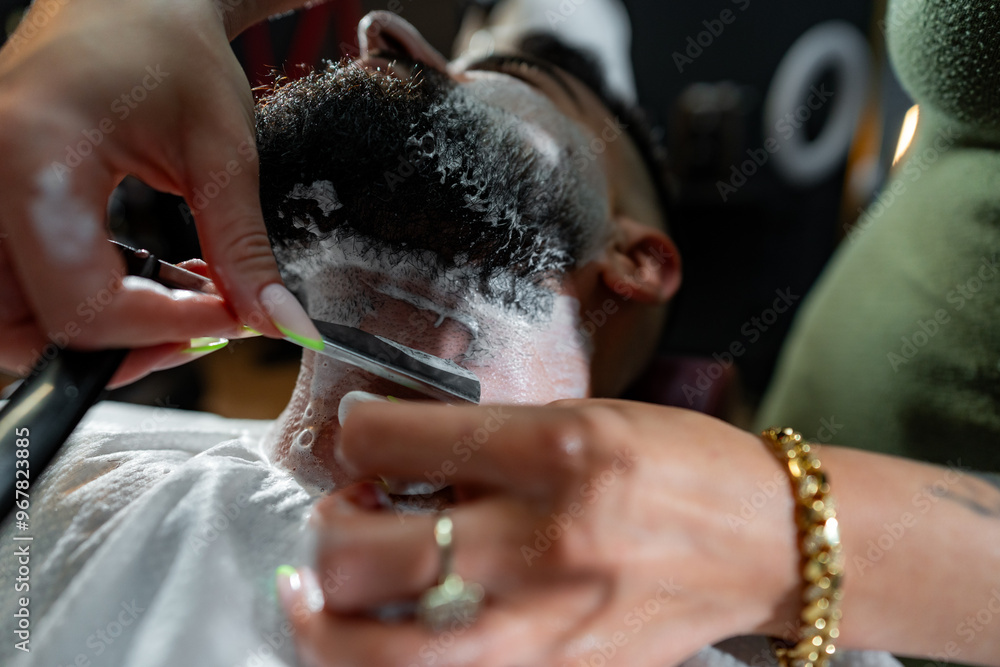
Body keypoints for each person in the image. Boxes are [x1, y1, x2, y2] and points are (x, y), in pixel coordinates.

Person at [0, 3, 997, 667]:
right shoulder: (92, 463)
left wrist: (795, 540)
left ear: (637, 259)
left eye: (516, 77)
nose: (386, 35)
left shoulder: (727, 611)